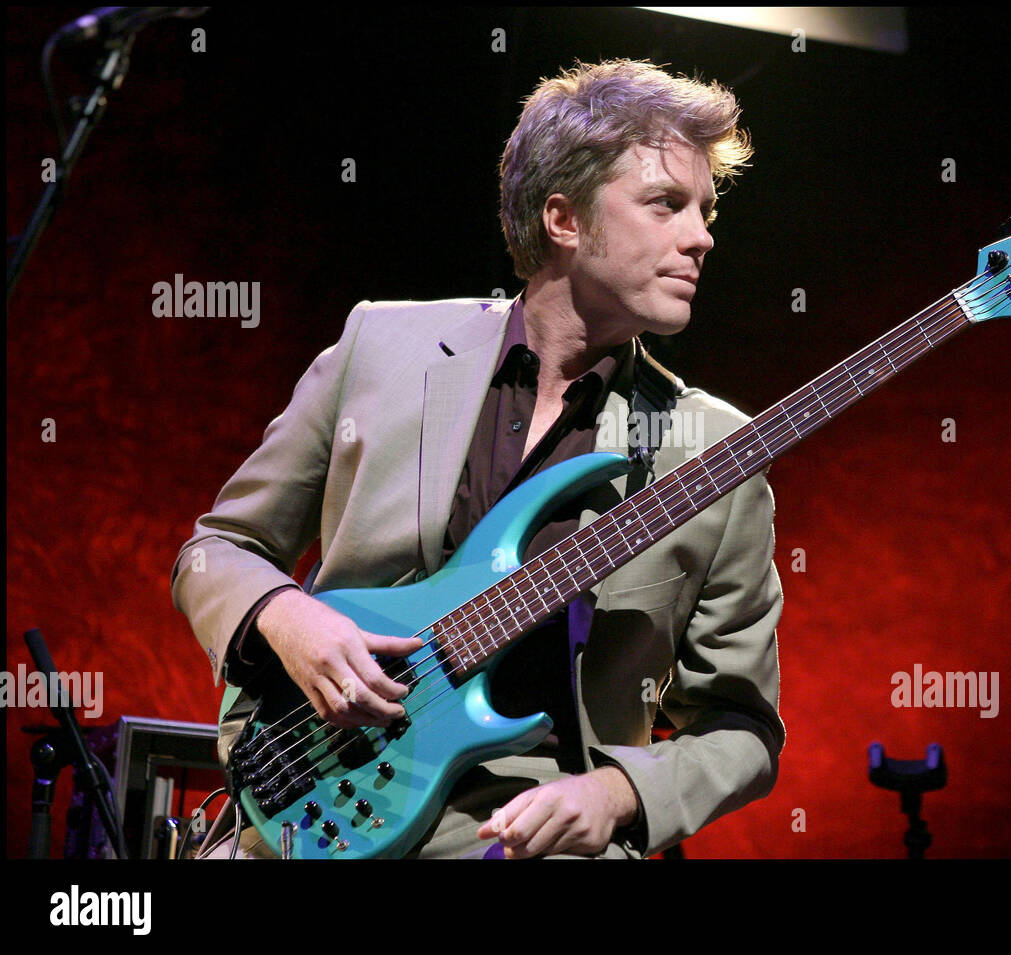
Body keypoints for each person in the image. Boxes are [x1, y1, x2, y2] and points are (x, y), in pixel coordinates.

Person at [172, 58, 784, 859]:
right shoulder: (379, 348)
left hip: (525, 827)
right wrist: (286, 618)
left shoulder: (716, 453)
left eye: (705, 209)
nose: (702, 235)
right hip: (315, 785)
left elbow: (743, 727)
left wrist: (618, 791)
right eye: (667, 204)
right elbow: (216, 551)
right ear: (564, 220)